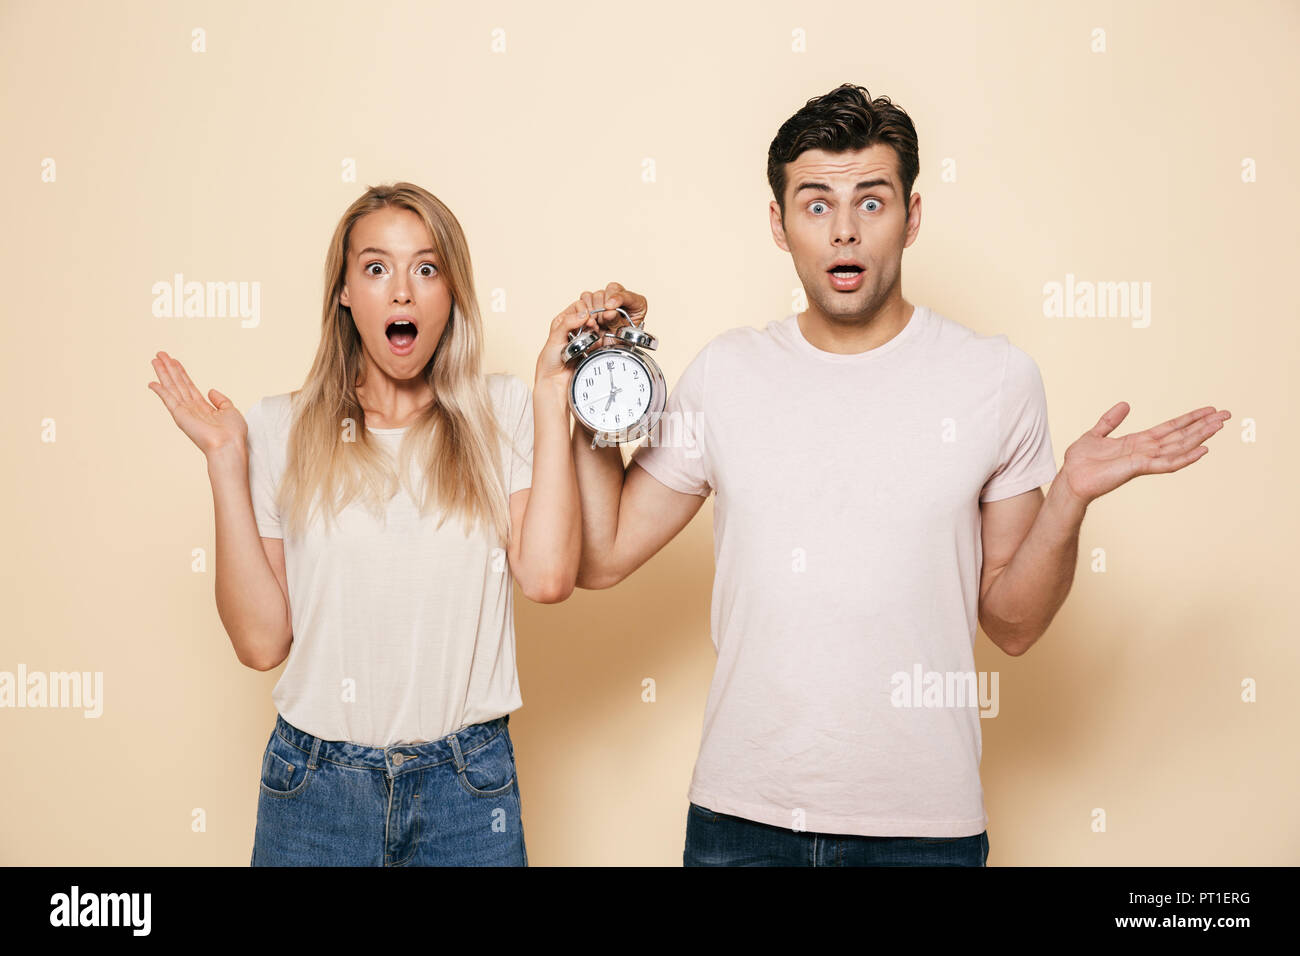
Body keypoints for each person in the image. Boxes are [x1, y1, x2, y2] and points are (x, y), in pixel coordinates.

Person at [571, 84, 1230, 867]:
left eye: (871, 203)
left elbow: (1014, 626)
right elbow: (602, 553)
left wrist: (1069, 499)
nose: (844, 231)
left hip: (924, 833)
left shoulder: (995, 378)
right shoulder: (728, 373)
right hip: (741, 823)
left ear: (912, 216)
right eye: (816, 206)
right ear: (779, 225)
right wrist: (589, 371)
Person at [149, 181, 608, 866]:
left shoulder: (502, 409)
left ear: (451, 292)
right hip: (314, 791)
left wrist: (551, 391)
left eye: (426, 268)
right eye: (375, 268)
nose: (402, 293)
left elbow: (545, 578)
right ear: (343, 292)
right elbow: (260, 642)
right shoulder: (278, 427)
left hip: (467, 789)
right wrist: (225, 459)